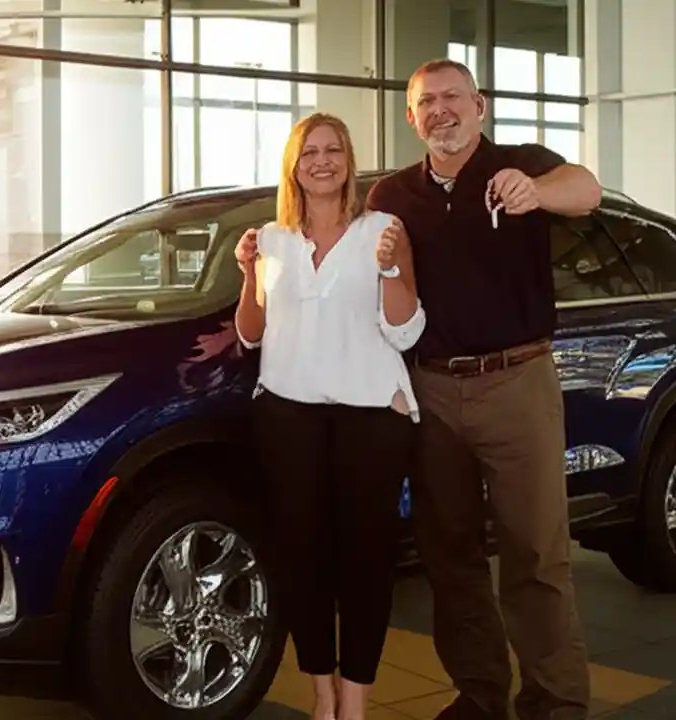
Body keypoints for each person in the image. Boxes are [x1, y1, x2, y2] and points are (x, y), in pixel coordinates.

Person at [365, 58, 600, 720]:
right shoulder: (391, 195)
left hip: (517, 382)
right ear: (411, 118)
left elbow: (586, 190)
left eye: (452, 97)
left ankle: (555, 702)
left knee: (535, 553)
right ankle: (479, 694)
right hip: (433, 392)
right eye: (426, 102)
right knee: (451, 556)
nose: (441, 110)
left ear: (480, 105)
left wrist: (537, 191)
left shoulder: (520, 163)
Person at [236, 112, 425, 720]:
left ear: (348, 160)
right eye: (309, 151)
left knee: (365, 562)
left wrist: (393, 268)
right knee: (302, 559)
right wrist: (247, 275)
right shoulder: (271, 239)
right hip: (290, 412)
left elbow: (406, 330)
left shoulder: (383, 230)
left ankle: (356, 700)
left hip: (370, 411)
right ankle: (321, 693)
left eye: (333, 150)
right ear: (294, 164)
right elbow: (250, 332)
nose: (322, 160)